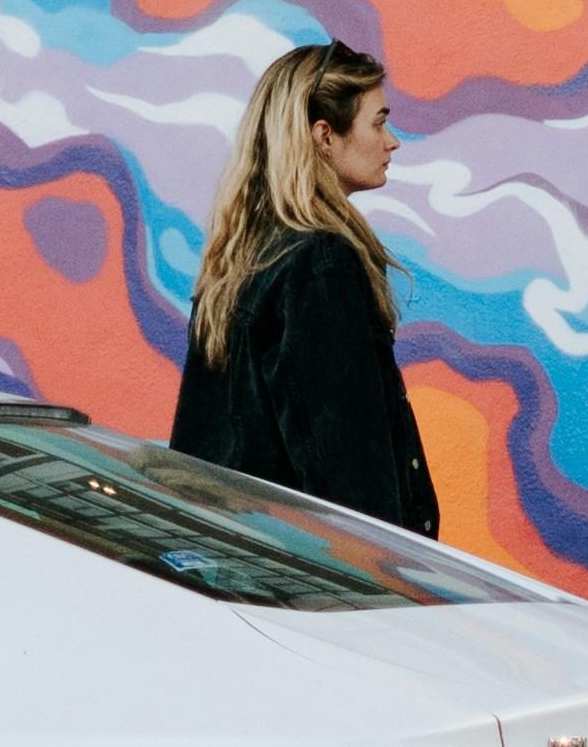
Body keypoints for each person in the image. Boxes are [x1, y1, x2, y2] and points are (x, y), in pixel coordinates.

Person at [172, 41, 440, 533]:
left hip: (235, 561)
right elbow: (349, 479)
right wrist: (386, 580)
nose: (392, 141)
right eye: (378, 122)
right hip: (311, 582)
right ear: (324, 135)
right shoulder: (321, 265)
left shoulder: (241, 257)